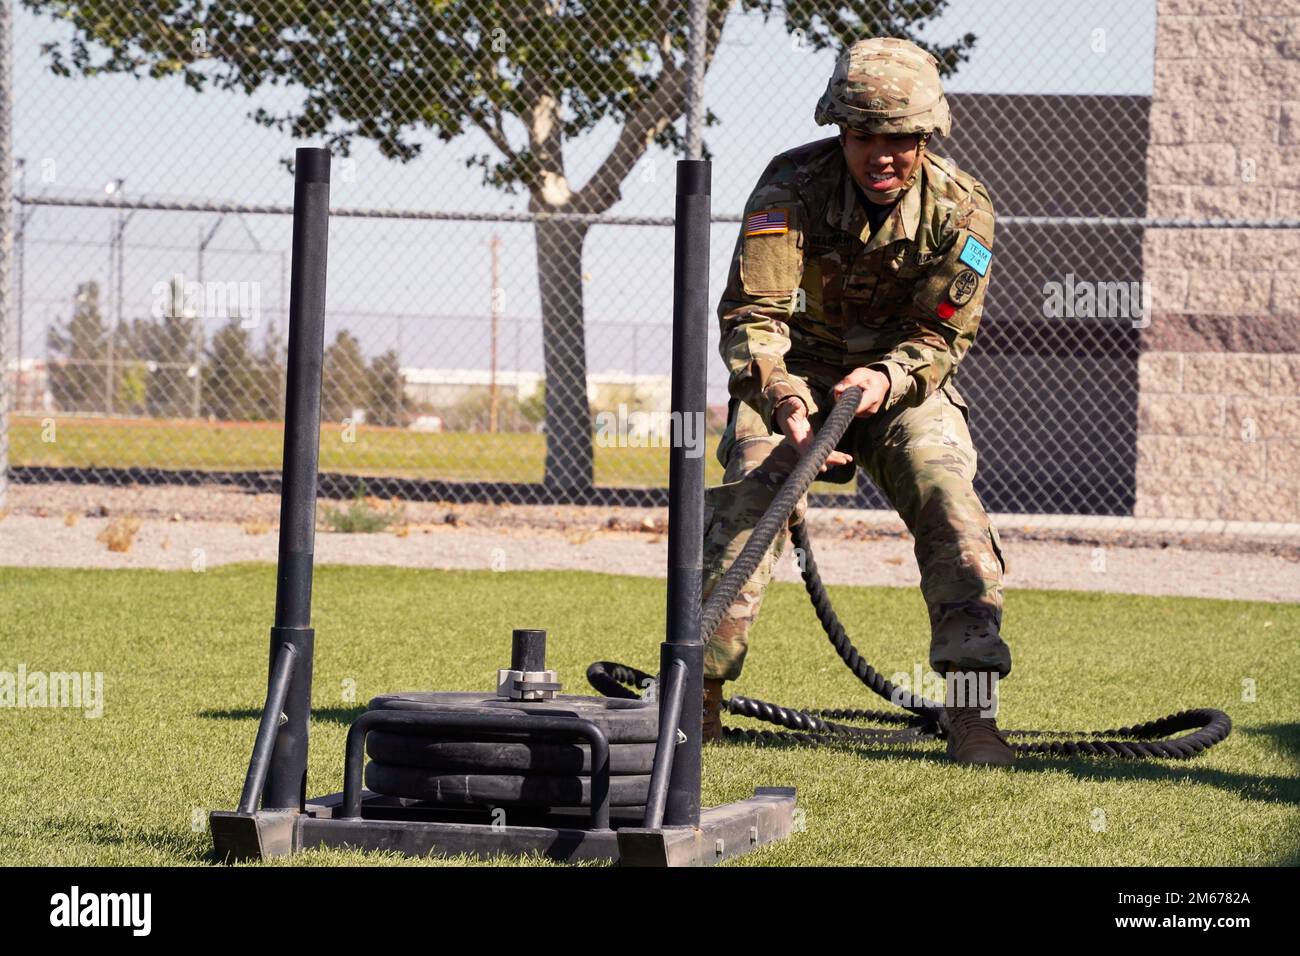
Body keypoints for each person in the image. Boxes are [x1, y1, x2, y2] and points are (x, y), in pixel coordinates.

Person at [700, 36, 1014, 766]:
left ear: (927, 136)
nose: (884, 156)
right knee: (754, 490)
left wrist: (885, 379)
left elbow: (941, 341)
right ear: (840, 130)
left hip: (901, 386)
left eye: (902, 139)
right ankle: (700, 701)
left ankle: (972, 713)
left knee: (949, 499)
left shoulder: (962, 210)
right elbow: (754, 320)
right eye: (866, 136)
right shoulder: (791, 186)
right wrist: (784, 402)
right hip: (796, 381)